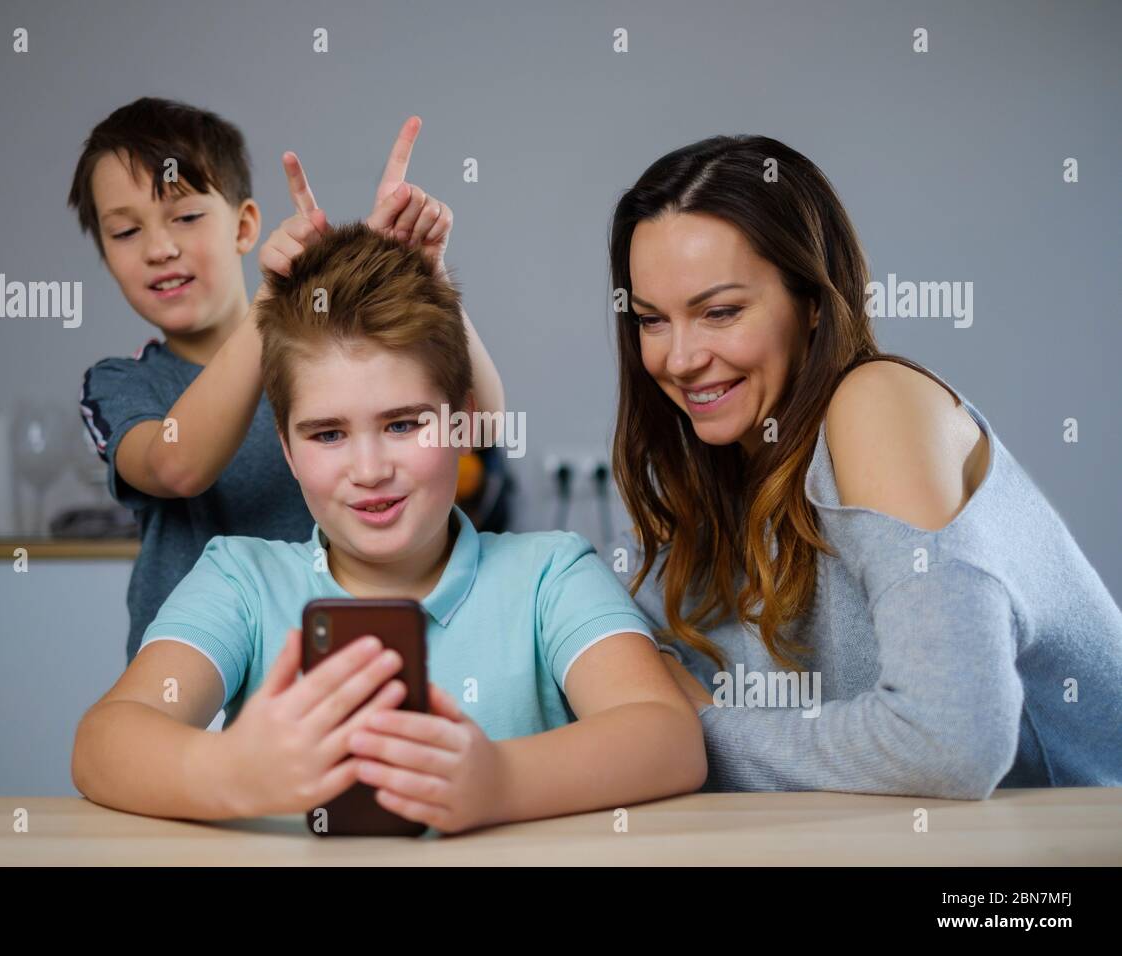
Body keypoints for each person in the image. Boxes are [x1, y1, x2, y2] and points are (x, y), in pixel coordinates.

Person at [71, 221, 706, 834]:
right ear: (288, 451)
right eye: (327, 434)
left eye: (403, 425)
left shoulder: (551, 574)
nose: (369, 470)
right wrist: (234, 772)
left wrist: (499, 782)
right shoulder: (239, 580)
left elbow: (670, 737)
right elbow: (103, 742)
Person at [607, 134, 1122, 798]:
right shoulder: (715, 493)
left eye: (720, 312)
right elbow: (559, 636)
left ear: (813, 302)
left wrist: (698, 729)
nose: (678, 359)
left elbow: (951, 743)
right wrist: (431, 296)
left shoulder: (877, 404)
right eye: (652, 320)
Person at [70, 99, 503, 667]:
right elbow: (178, 466)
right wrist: (269, 302)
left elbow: (485, 426)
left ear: (245, 226)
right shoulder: (119, 384)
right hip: (199, 683)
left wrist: (427, 276)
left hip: (338, 663)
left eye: (186, 216)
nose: (159, 248)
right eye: (125, 231)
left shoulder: (317, 356)